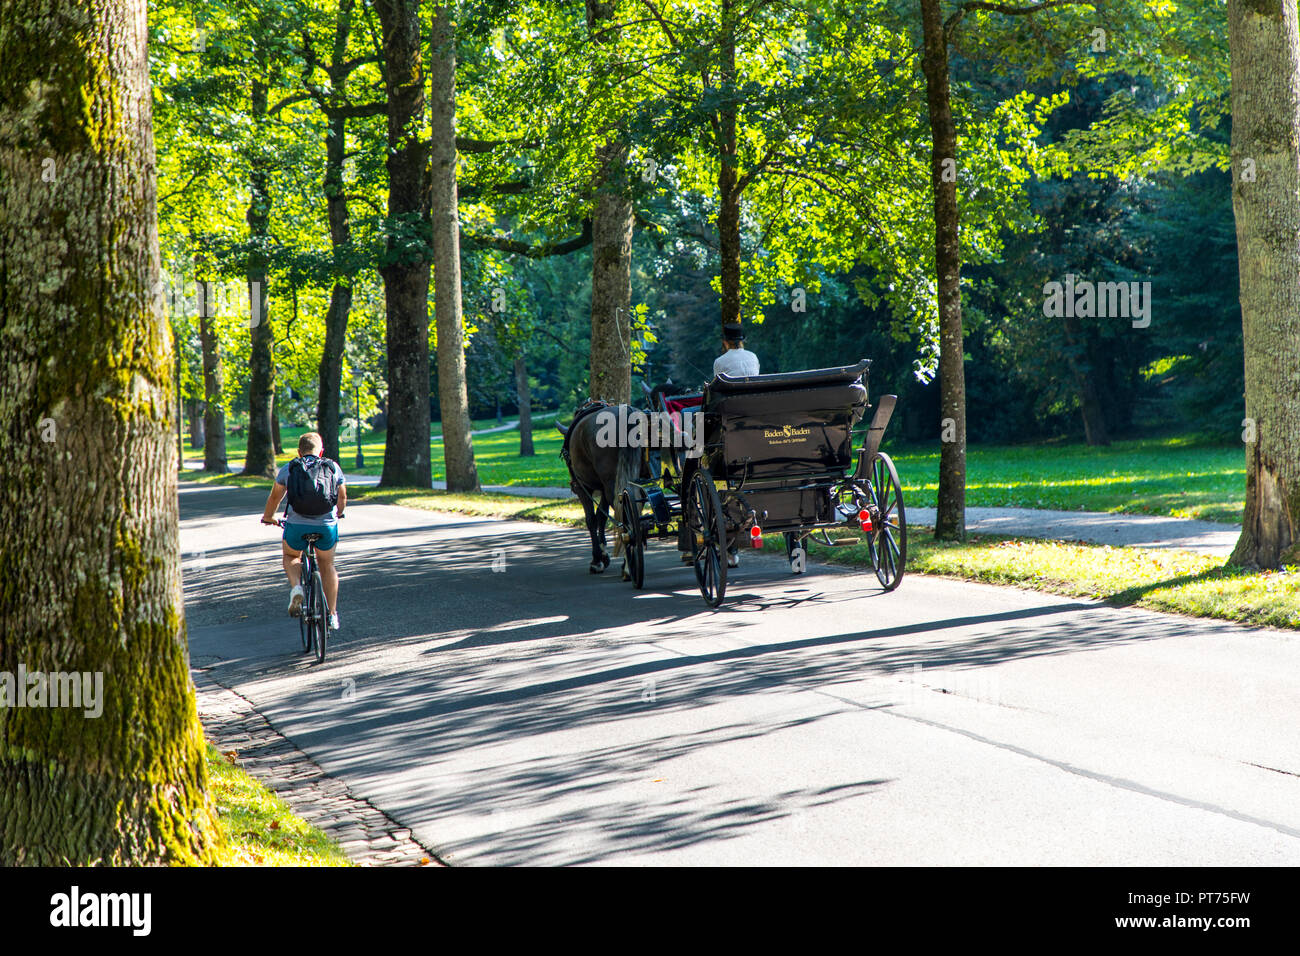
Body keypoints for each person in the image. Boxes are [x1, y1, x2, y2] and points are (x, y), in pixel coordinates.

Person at [260, 432, 346, 630]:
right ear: (321, 450)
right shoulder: (333, 467)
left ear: (299, 452)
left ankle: (297, 587)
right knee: (327, 564)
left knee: (291, 555)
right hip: (326, 526)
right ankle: (332, 614)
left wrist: (269, 517)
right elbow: (342, 497)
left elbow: (275, 498)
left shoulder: (290, 468)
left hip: (297, 525)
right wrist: (339, 513)